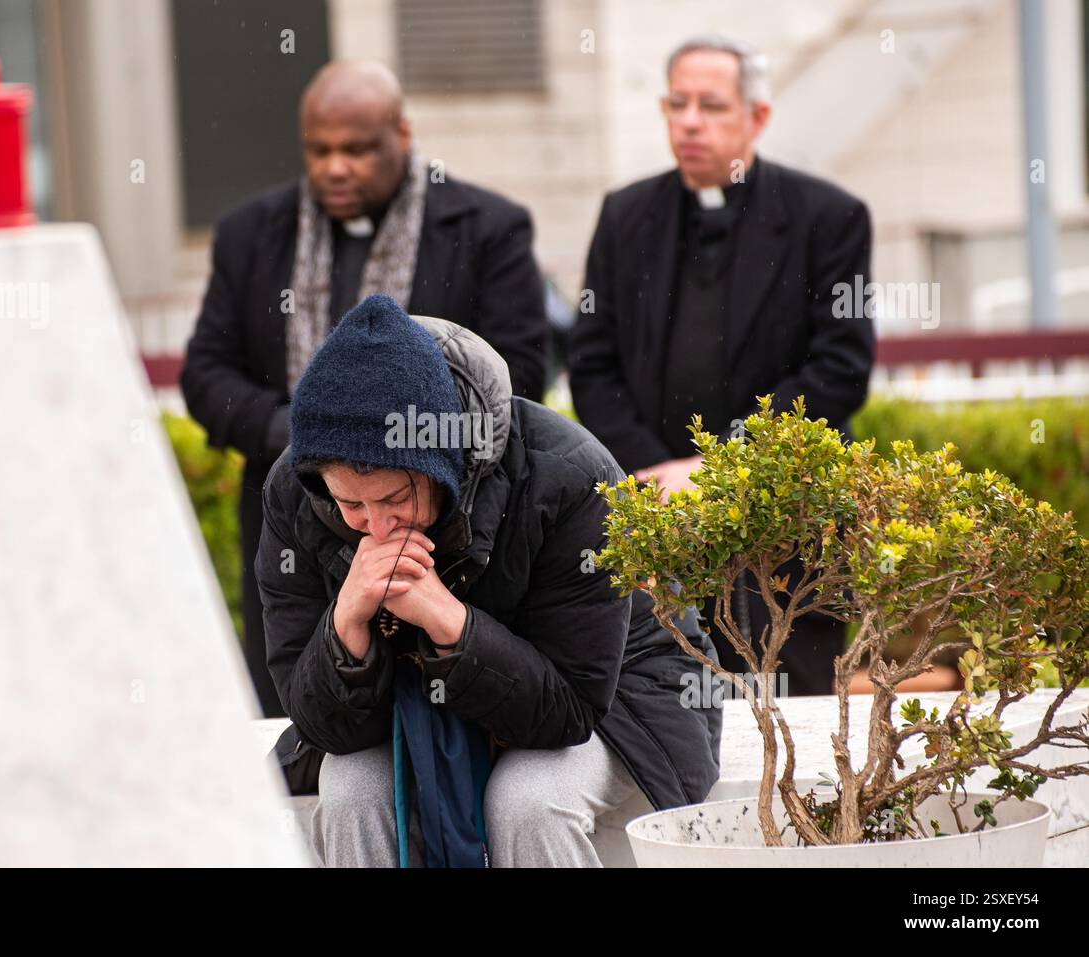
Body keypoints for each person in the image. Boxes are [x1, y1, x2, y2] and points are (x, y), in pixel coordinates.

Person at [256, 294, 720, 867]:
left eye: (396, 499)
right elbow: (318, 719)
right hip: (415, 699)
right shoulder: (296, 492)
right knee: (353, 790)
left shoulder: (570, 477)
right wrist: (345, 629)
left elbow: (570, 709)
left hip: (625, 693)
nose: (376, 527)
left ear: (441, 466)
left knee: (529, 801)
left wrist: (449, 621)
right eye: (351, 504)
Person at [180, 61, 549, 716]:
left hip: (441, 530)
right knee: (303, 720)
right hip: (291, 527)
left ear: (401, 134)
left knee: (444, 710)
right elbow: (206, 372)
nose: (335, 167)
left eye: (355, 149)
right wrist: (309, 445)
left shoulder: (488, 229)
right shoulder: (249, 233)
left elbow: (515, 375)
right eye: (319, 151)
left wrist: (410, 454)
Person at [568, 34, 875, 696]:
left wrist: (720, 468)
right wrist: (655, 475)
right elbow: (590, 363)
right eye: (676, 103)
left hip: (791, 529)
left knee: (796, 714)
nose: (689, 121)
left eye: (710, 104)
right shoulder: (626, 216)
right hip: (659, 517)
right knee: (665, 695)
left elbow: (842, 368)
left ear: (756, 117)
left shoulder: (828, 217)